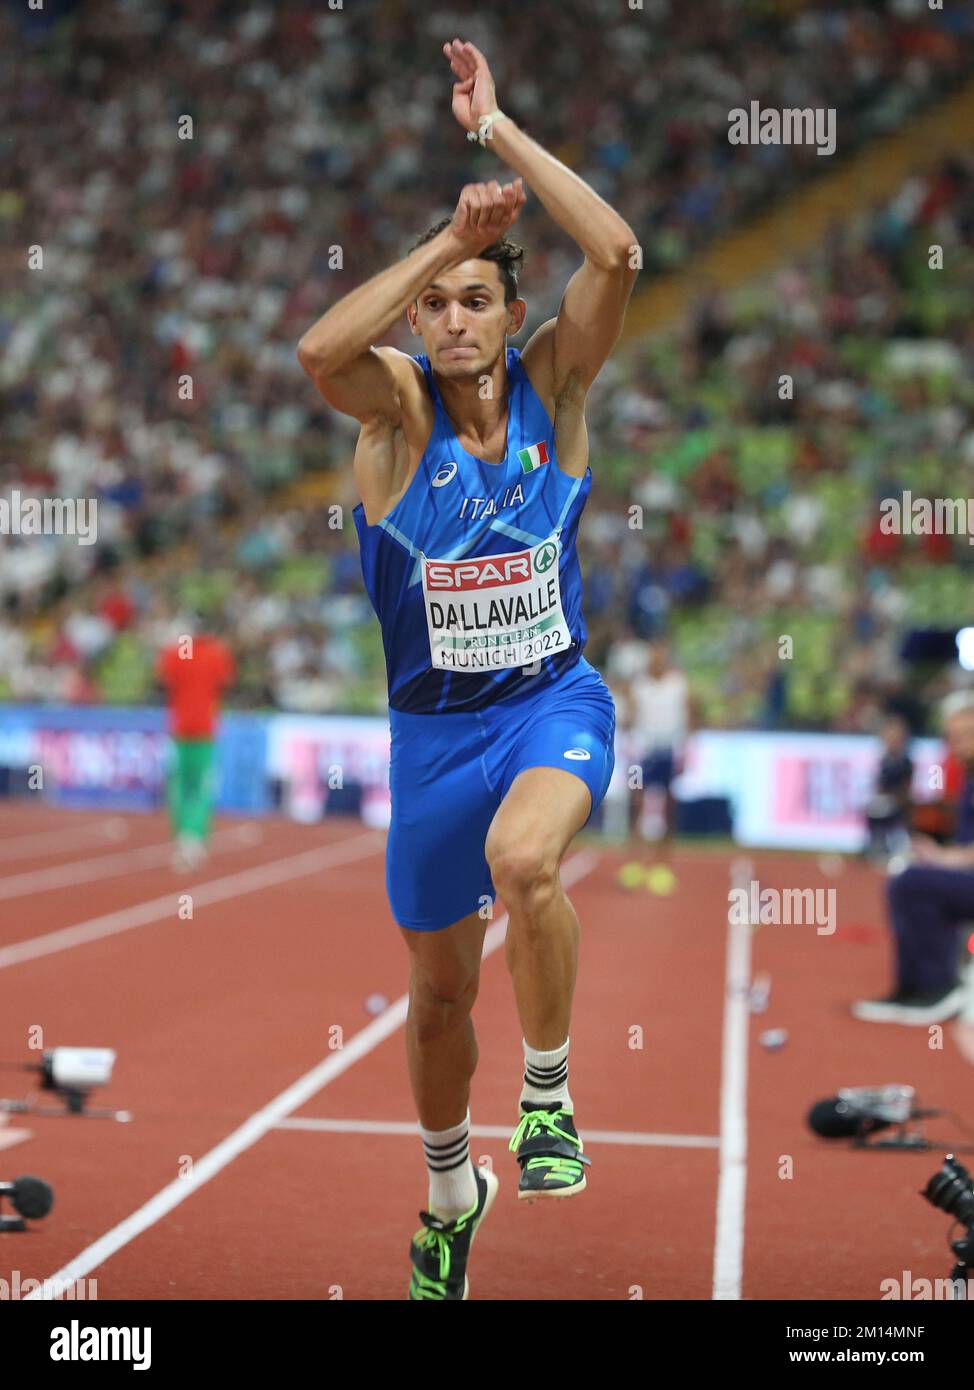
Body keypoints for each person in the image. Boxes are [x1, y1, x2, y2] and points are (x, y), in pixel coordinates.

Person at [297, 38, 638, 1300]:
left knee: (526, 861)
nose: (448, 320)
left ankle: (545, 1103)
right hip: (430, 742)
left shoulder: (558, 380)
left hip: (549, 702)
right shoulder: (396, 411)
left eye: (472, 300)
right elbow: (318, 354)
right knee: (437, 1000)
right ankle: (450, 1192)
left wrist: (498, 135)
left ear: (511, 316)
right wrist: (446, 241)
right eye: (437, 303)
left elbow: (612, 254)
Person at [852, 691, 974, 1025]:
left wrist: (946, 858)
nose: (958, 744)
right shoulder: (968, 778)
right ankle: (912, 988)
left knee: (913, 883)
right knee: (907, 880)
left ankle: (937, 987)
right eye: (952, 737)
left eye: (967, 735)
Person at [157, 614, 236, 871]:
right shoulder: (216, 654)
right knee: (201, 788)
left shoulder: (175, 653)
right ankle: (195, 838)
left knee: (179, 786)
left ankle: (183, 836)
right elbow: (226, 683)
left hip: (180, 731)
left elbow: (163, 681)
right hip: (205, 732)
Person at [617, 636, 690, 893]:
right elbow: (630, 718)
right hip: (643, 752)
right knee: (636, 806)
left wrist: (686, 749)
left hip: (669, 750)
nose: (657, 660)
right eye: (653, 655)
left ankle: (662, 866)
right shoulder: (639, 685)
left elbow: (688, 717)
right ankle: (634, 864)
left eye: (661, 655)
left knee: (669, 810)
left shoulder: (678, 683)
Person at [862, 713, 913, 861]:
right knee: (874, 808)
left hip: (898, 801)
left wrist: (894, 799)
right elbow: (880, 784)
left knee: (881, 809)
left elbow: (905, 788)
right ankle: (877, 844)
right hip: (885, 800)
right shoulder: (885, 760)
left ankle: (892, 847)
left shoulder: (904, 762)